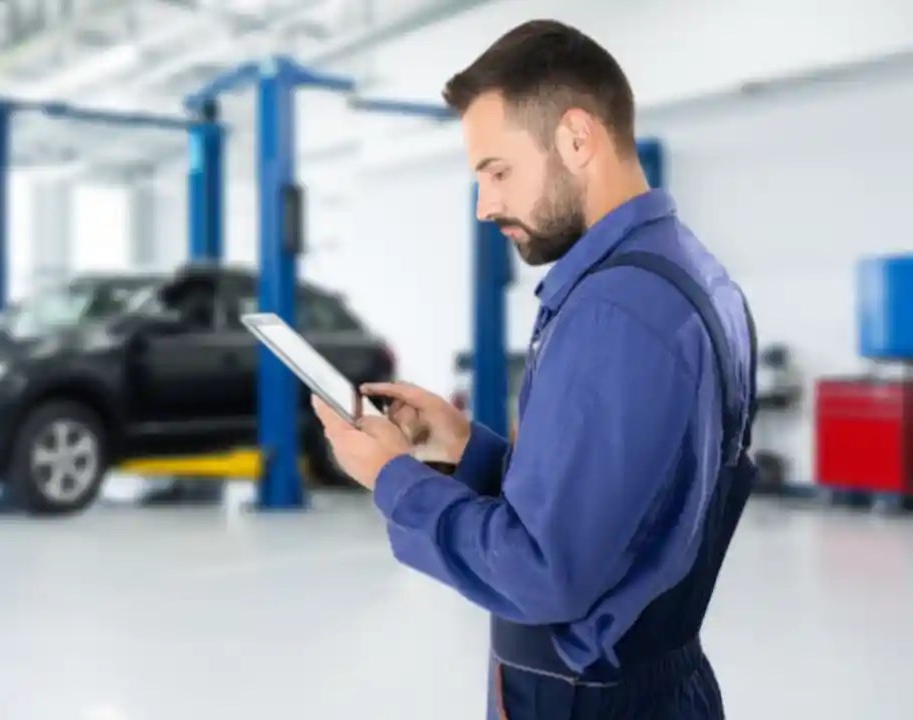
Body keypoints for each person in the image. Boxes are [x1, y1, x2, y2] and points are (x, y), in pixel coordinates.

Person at [312, 19, 758, 720]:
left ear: (578, 138)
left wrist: (394, 478)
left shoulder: (618, 309)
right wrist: (467, 448)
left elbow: (544, 573)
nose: (487, 205)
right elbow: (620, 505)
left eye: (498, 171)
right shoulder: (689, 275)